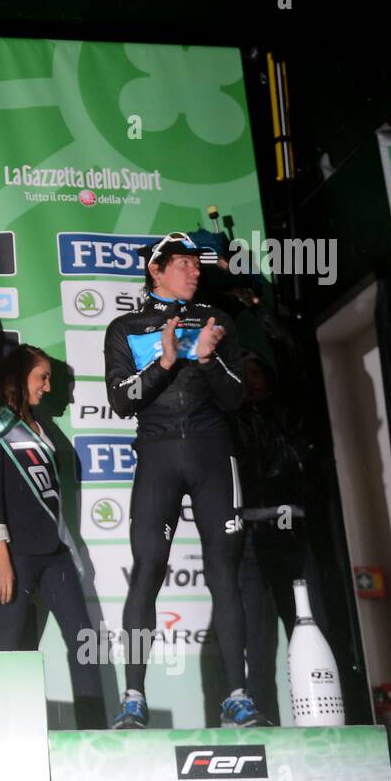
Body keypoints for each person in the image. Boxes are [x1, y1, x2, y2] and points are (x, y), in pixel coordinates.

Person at [103, 232, 266, 729]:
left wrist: (207, 358)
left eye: (198, 266)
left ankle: (236, 697)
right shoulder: (124, 327)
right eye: (183, 265)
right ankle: (133, 697)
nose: (195, 273)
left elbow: (236, 397)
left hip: (213, 453)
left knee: (224, 572)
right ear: (156, 270)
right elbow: (121, 399)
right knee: (148, 567)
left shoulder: (218, 321)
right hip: (157, 455)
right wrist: (166, 361)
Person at [0, 344, 105, 728]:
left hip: (56, 555)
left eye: (49, 378)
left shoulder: (42, 428)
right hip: (16, 556)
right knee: (9, 648)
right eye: (42, 377)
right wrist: (1, 557)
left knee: (84, 642)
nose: (48, 387)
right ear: (19, 378)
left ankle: (94, 733)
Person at [234, 350, 331, 724]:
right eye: (243, 373)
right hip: (247, 538)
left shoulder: (289, 415)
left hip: (290, 532)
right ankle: (261, 722)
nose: (251, 379)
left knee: (309, 625)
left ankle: (320, 719)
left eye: (257, 371)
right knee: (254, 643)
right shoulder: (229, 421)